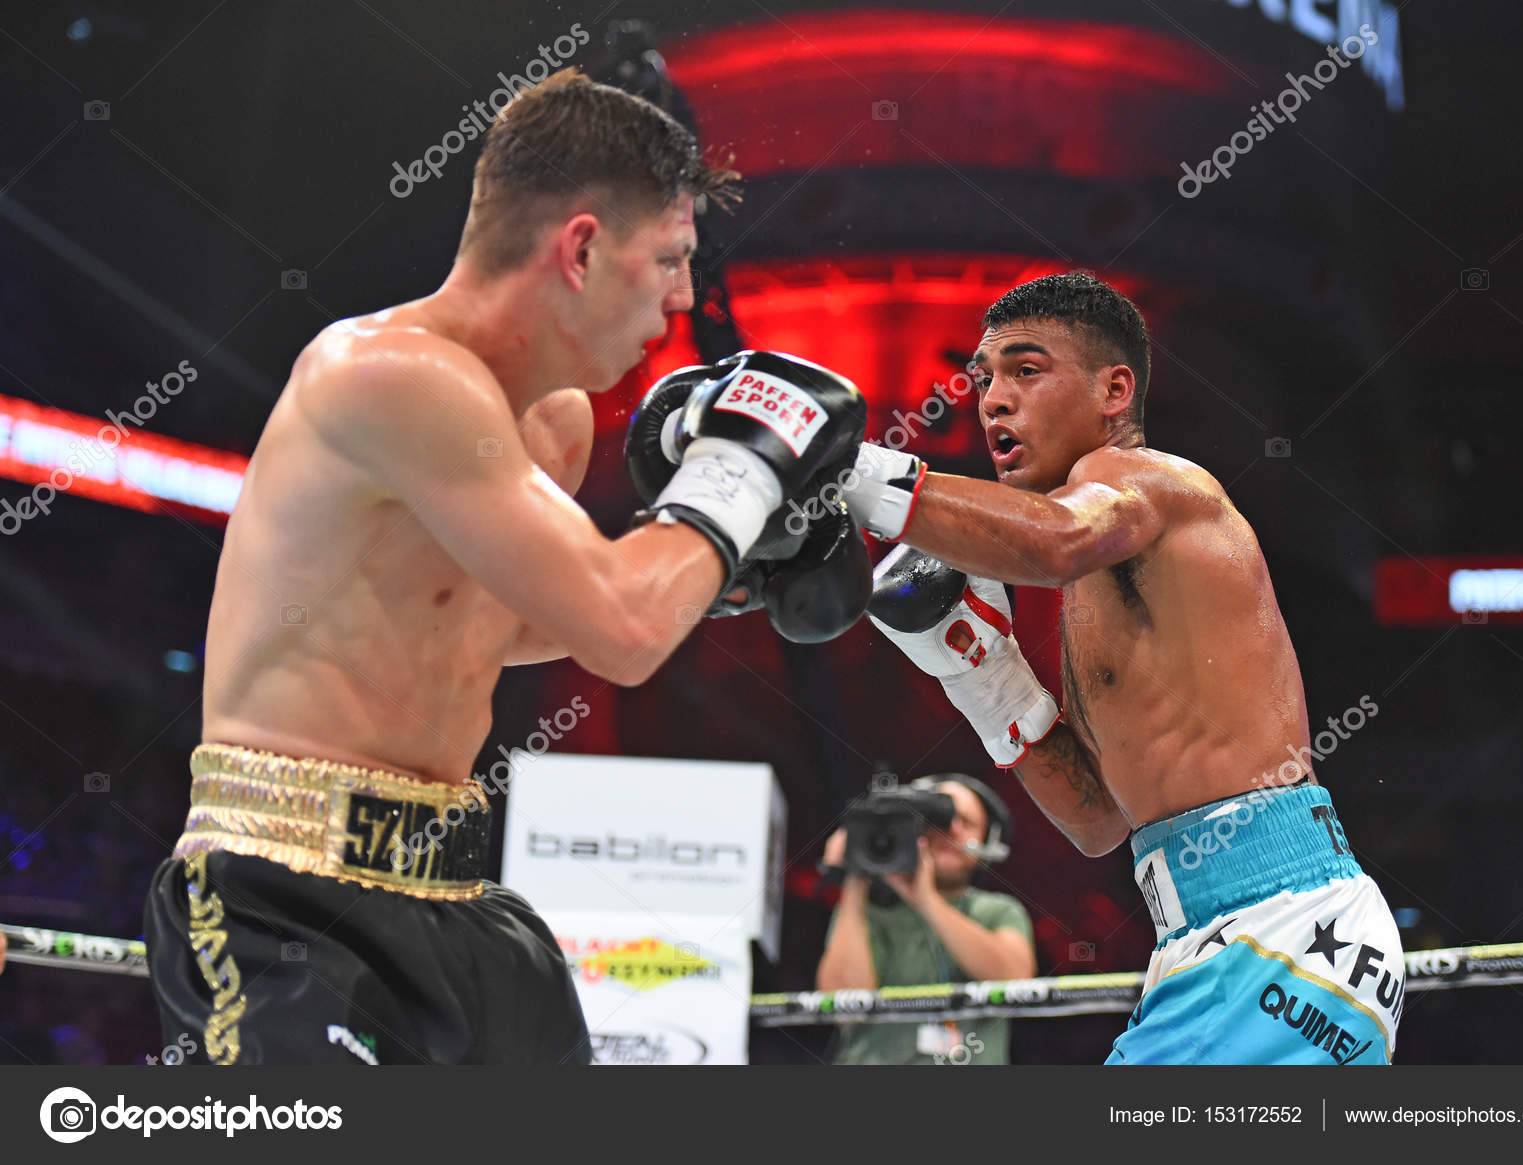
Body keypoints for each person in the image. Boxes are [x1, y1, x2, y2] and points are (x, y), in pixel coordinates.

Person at [142, 69, 865, 1065]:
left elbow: (517, 622)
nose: (683, 297)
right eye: (668, 259)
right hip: (286, 896)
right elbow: (620, 630)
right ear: (580, 248)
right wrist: (740, 475)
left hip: (461, 901)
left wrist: (725, 579)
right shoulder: (388, 377)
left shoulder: (551, 421)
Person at [845, 272, 1404, 1064]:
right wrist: (977, 667)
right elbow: (1097, 819)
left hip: (1279, 936)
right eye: (986, 378)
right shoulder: (1098, 580)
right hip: (1232, 939)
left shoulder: (1142, 483)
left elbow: (1050, 541)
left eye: (1027, 370)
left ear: (1115, 390)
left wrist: (843, 468)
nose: (994, 399)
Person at [815, 775, 1035, 1064]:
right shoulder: (866, 913)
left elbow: (1015, 980)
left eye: (966, 823)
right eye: (940, 819)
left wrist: (925, 899)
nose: (952, 830)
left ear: (986, 842)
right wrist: (856, 875)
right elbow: (841, 1005)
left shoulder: (998, 911)